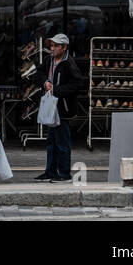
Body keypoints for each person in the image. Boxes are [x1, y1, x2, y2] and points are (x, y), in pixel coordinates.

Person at [35, 33, 85, 183]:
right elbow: (38, 74)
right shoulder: (48, 59)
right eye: (51, 45)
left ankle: (64, 174)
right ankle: (50, 172)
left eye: (56, 45)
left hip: (62, 107)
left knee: (62, 142)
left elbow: (77, 84)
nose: (53, 48)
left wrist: (57, 90)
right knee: (51, 141)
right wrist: (45, 83)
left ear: (64, 47)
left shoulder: (69, 63)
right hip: (51, 106)